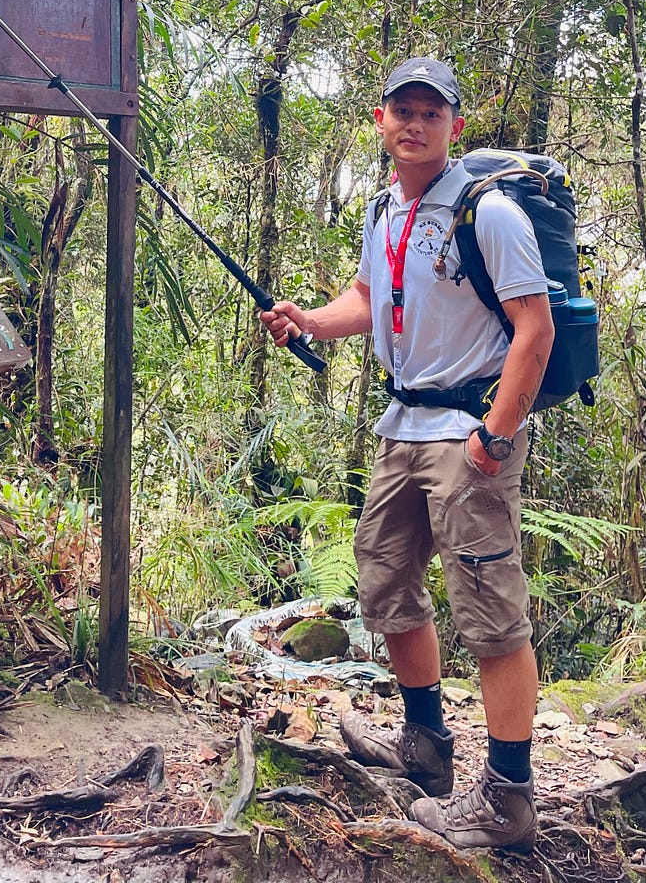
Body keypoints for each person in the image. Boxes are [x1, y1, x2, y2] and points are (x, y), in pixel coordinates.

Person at [260, 57, 554, 853]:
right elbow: (369, 297)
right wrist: (313, 321)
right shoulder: (385, 210)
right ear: (380, 121)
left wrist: (495, 434)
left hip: (469, 432)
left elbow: (535, 329)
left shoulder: (488, 215)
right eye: (402, 110)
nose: (415, 123)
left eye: (432, 112)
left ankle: (507, 797)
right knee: (385, 582)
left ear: (454, 125)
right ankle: (425, 747)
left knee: (489, 614)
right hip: (402, 425)